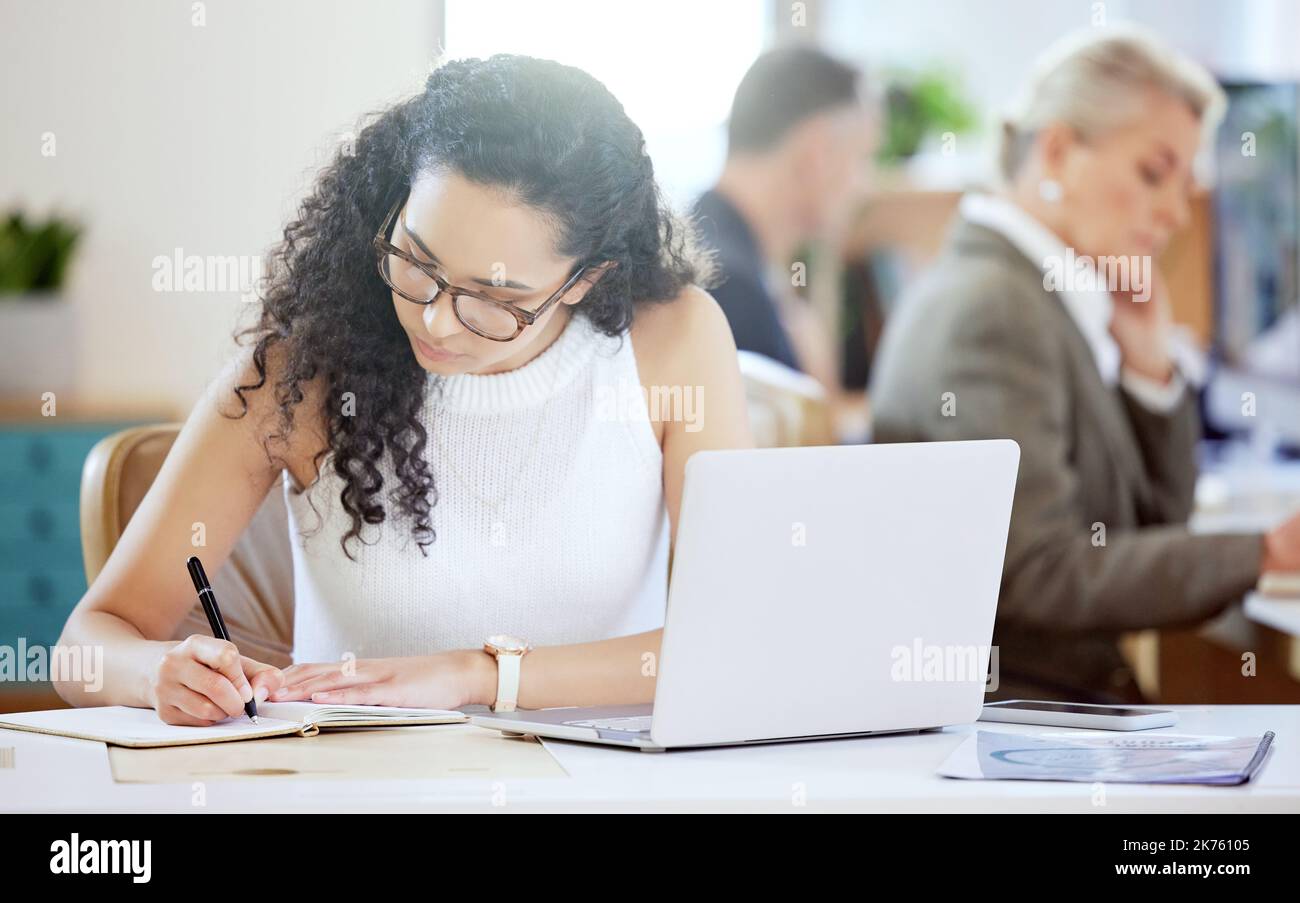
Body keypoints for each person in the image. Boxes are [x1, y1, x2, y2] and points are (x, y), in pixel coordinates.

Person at [55, 55, 753, 724]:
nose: (434, 317)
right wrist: (158, 672)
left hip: (605, 790)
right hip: (354, 784)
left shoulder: (672, 343)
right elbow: (87, 644)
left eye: (491, 297)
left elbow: (731, 643)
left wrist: (478, 675)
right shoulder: (305, 370)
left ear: (584, 280)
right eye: (416, 259)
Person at [869, 28, 1300, 703]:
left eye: (1185, 186)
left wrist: (1148, 367)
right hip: (1028, 713)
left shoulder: (1024, 292)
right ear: (1059, 152)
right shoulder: (998, 309)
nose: (1174, 214)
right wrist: (1265, 552)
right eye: (1154, 173)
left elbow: (1152, 532)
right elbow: (1037, 572)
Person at [693, 46, 875, 391]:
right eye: (862, 158)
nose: (865, 188)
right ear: (818, 153)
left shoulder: (714, 247)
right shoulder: (729, 288)